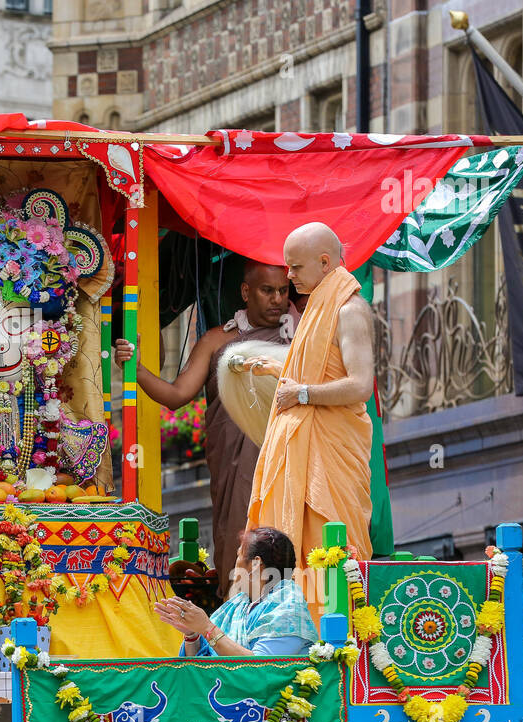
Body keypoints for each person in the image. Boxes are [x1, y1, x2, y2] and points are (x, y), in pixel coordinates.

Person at [114, 261, 298, 585]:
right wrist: (138, 369)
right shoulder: (216, 341)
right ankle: (238, 617)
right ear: (245, 291)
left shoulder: (301, 334)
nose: (277, 299)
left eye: (283, 291)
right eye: (267, 290)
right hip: (236, 462)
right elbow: (176, 395)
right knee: (239, 534)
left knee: (294, 528)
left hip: (289, 455)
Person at [245, 223, 375, 570]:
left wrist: (301, 394)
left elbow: (360, 384)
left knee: (330, 552)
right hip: (301, 446)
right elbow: (319, 368)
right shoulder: (316, 307)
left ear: (324, 262)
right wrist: (276, 370)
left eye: (295, 267)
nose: (289, 276)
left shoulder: (349, 311)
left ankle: (332, 623)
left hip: (333, 453)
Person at [155, 527, 317, 657]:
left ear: (255, 564)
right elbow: (204, 664)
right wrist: (192, 635)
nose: (235, 564)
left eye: (239, 555)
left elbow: (262, 668)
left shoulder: (288, 606)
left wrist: (206, 628)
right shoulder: (238, 605)